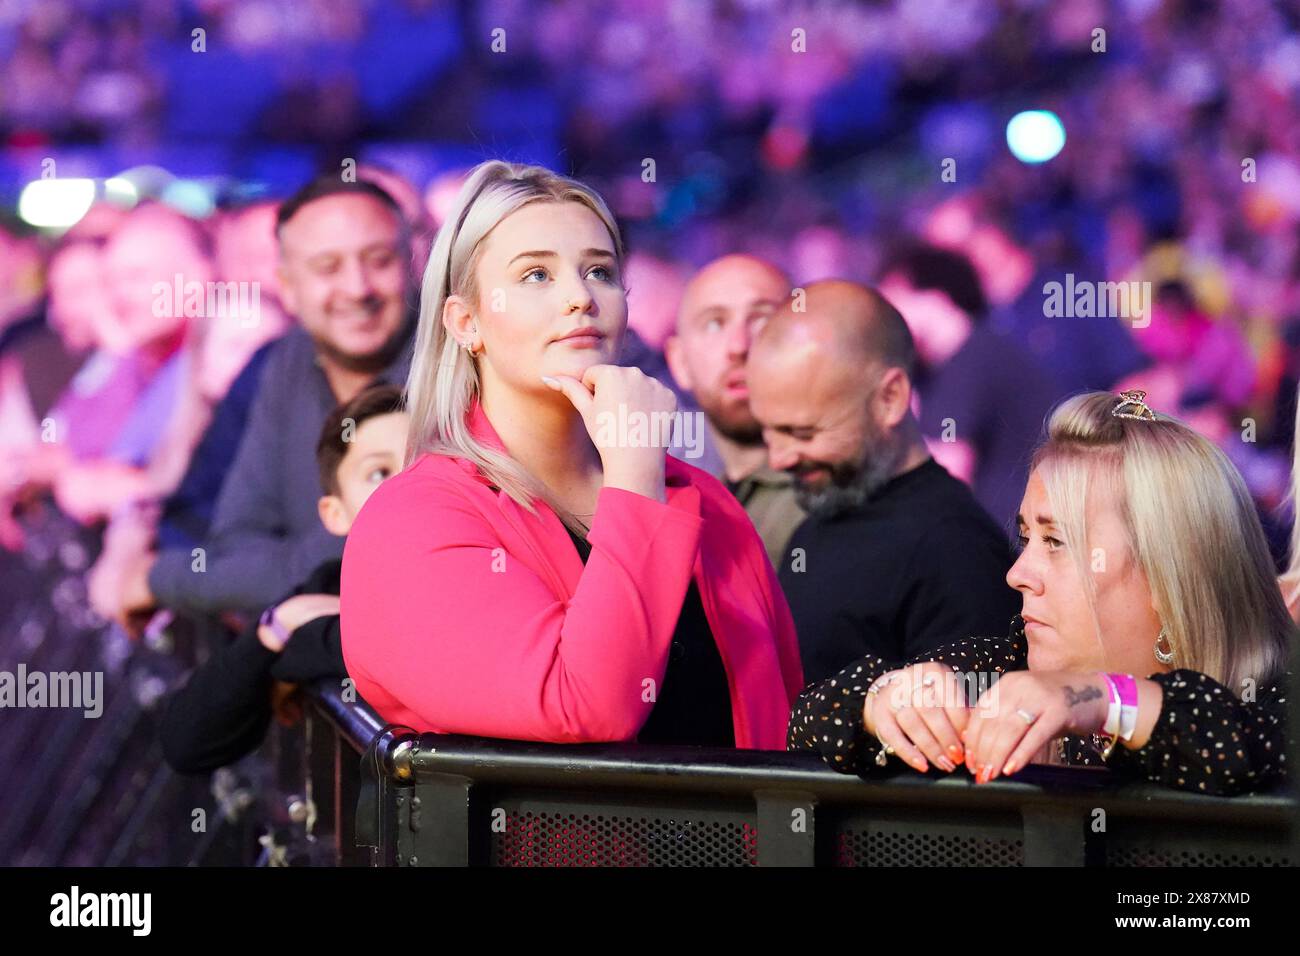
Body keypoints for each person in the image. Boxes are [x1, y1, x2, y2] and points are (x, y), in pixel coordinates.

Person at [341, 160, 803, 748]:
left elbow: (783, 711)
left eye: (600, 272)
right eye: (536, 275)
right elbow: (589, 708)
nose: (580, 297)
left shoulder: (700, 496)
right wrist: (635, 471)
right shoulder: (413, 519)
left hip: (749, 841)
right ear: (465, 323)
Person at [790, 390, 1293, 796]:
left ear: (1169, 575)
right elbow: (810, 718)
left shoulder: (1272, 693)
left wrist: (1099, 698)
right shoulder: (1011, 660)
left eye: (1056, 542)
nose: (1018, 573)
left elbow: (1247, 746)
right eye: (1027, 537)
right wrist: (883, 704)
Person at [126, 176, 416, 620]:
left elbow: (347, 557)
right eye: (327, 267)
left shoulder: (448, 373)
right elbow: (236, 535)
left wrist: (156, 579)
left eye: (380, 261)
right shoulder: (286, 359)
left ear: (413, 266)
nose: (358, 288)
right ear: (287, 287)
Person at [747, 279, 1019, 684]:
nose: (779, 458)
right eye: (768, 433)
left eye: (803, 433)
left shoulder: (958, 551)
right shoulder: (821, 518)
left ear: (890, 398)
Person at [161, 385, 407, 773]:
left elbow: (411, 653)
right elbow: (187, 742)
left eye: (423, 464)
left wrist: (307, 636)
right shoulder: (331, 581)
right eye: (378, 472)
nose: (405, 485)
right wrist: (274, 630)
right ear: (335, 514)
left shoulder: (490, 572)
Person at [878, 244, 1059, 531]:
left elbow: (948, 474)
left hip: (1015, 537)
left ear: (935, 297)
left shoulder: (971, 359)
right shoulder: (969, 355)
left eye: (894, 300)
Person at [665, 254, 804, 568]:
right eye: (714, 323)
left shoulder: (843, 495)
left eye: (762, 319)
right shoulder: (677, 505)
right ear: (679, 362)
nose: (739, 346)